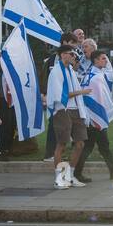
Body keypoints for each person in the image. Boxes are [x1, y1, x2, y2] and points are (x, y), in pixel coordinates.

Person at [76, 49, 113, 182]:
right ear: (96, 60)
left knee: (100, 147)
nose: (106, 61)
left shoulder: (92, 73)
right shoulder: (97, 77)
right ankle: (77, 173)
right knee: (91, 147)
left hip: (92, 116)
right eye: (103, 58)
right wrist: (98, 118)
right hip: (95, 118)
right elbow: (98, 99)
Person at [47, 44, 90, 189]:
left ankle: (70, 176)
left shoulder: (70, 70)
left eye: (72, 54)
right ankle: (58, 179)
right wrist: (82, 92)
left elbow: (74, 89)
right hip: (62, 110)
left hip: (76, 109)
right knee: (62, 144)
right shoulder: (56, 72)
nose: (71, 56)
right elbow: (61, 96)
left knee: (80, 144)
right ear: (61, 55)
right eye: (67, 54)